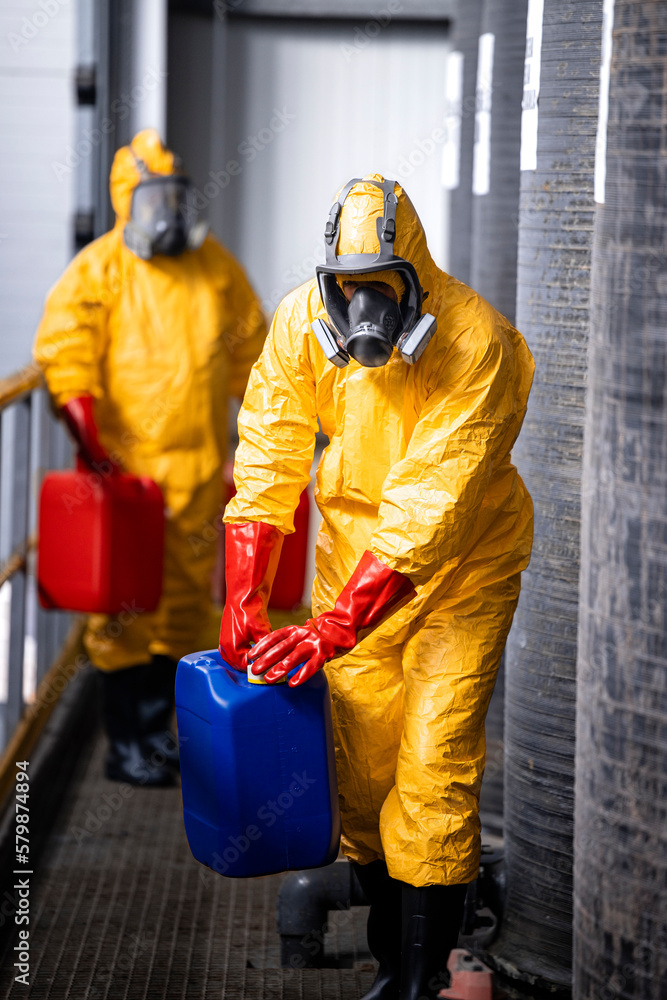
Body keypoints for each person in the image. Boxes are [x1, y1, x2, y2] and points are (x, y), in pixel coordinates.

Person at [218, 174, 534, 999]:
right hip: (353, 558)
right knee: (361, 769)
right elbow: (268, 453)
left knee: (433, 762)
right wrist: (243, 592)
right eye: (347, 290)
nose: (363, 312)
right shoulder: (297, 325)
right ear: (328, 285)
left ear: (414, 279)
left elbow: (431, 511)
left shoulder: (477, 344)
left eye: (381, 290)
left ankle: (413, 977)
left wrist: (330, 630)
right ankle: (395, 951)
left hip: (460, 571)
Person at [34, 129, 266, 789]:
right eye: (151, 199)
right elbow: (66, 350)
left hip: (194, 475)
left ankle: (160, 735)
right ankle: (125, 743)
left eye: (173, 198)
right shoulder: (99, 269)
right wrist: (86, 431)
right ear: (123, 201)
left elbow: (252, 359)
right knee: (122, 610)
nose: (165, 213)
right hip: (124, 482)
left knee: (187, 608)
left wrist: (262, 441)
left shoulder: (213, 268)